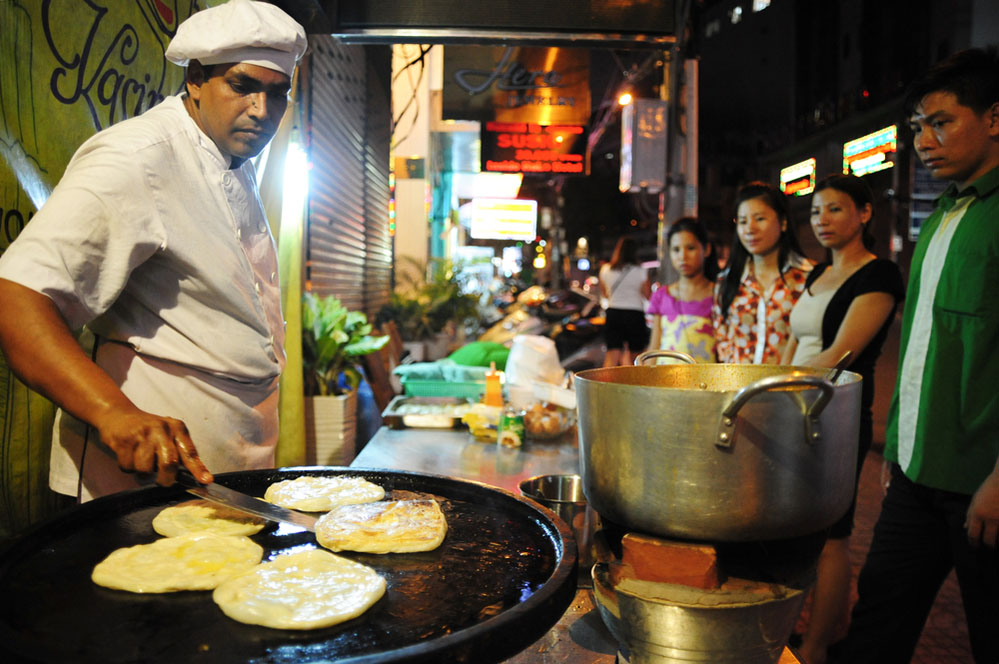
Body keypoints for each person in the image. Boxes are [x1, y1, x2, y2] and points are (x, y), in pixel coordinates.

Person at [0, 0, 308, 500]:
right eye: (242, 85)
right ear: (195, 79)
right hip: (135, 486)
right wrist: (113, 412)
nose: (262, 110)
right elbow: (16, 297)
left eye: (278, 94)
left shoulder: (235, 157)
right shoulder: (137, 158)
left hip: (221, 475)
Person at [833, 47, 999, 664]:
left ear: (994, 117)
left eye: (941, 122)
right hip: (913, 474)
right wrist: (901, 445)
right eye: (917, 129)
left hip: (983, 483)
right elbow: (923, 344)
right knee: (877, 621)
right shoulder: (941, 217)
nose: (924, 141)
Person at [779, 174, 905, 664]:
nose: (822, 221)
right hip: (792, 407)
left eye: (834, 210)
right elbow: (794, 343)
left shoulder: (879, 276)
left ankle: (815, 648)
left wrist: (772, 382)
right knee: (796, 529)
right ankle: (820, 628)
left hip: (836, 414)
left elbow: (839, 353)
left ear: (864, 213)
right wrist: (768, 388)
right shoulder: (816, 273)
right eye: (815, 212)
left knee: (831, 536)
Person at [713, 182, 812, 364]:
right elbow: (722, 338)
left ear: (783, 223)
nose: (750, 229)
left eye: (759, 219)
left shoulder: (807, 278)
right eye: (742, 221)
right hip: (738, 390)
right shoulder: (727, 281)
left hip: (789, 388)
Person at [647, 217, 719, 362]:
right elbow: (654, 347)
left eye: (690, 248)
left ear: (706, 249)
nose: (683, 256)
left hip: (705, 382)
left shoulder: (719, 295)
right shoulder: (661, 296)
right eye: (676, 249)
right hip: (664, 382)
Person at [599, 236, 651, 367]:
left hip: (613, 313)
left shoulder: (606, 269)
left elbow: (605, 294)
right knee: (637, 357)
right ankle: (636, 385)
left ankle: (606, 385)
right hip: (635, 314)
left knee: (612, 355)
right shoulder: (641, 271)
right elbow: (647, 295)